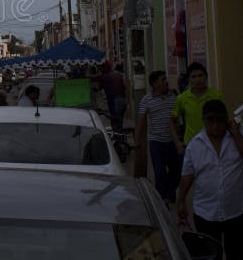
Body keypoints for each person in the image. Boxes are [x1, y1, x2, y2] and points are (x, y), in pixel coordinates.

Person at [177, 99, 243, 260]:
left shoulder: (238, 137)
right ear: (203, 121)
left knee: (238, 256)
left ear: (226, 120)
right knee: (211, 257)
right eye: (210, 121)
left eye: (219, 121)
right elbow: (187, 177)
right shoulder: (194, 146)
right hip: (206, 214)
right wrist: (181, 201)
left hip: (238, 213)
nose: (215, 126)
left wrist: (235, 133)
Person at [134, 70, 179, 204]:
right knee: (159, 172)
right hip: (156, 141)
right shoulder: (146, 100)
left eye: (165, 79)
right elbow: (141, 121)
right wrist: (137, 141)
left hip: (173, 141)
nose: (166, 82)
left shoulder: (174, 96)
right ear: (155, 84)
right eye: (162, 80)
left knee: (176, 171)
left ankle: (170, 191)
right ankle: (162, 199)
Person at [170, 62, 224, 154]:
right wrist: (177, 142)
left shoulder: (216, 96)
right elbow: (171, 120)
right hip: (191, 145)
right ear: (188, 79)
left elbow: (224, 119)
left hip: (213, 144)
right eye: (193, 77)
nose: (198, 79)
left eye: (200, 75)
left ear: (206, 77)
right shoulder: (182, 98)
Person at [94, 61, 127, 132]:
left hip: (115, 101)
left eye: (101, 68)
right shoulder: (118, 74)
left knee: (115, 124)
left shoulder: (105, 77)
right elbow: (124, 87)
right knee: (119, 123)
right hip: (123, 100)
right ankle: (120, 136)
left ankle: (118, 137)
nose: (100, 70)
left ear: (105, 68)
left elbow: (96, 83)